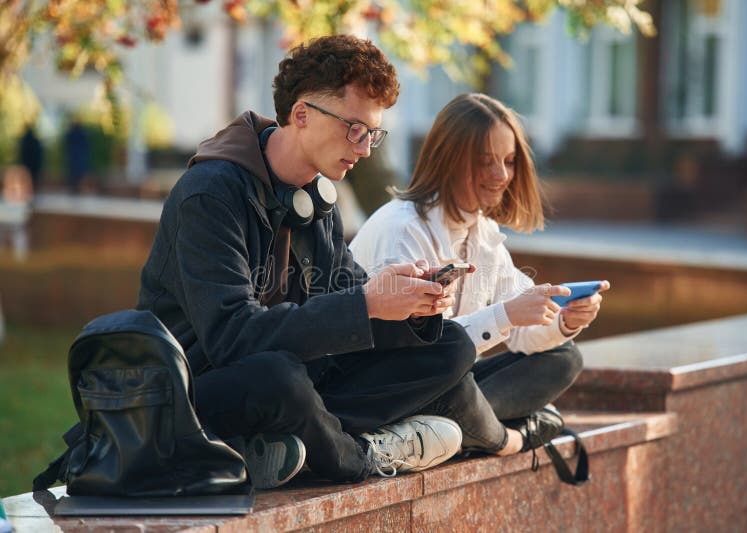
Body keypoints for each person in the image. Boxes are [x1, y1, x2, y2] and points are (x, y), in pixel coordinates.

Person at [137, 36, 503, 490]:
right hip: (200, 388)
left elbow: (346, 306)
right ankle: (358, 455)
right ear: (302, 114)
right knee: (278, 378)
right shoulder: (210, 194)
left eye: (373, 133)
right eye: (355, 128)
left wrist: (407, 307)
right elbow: (231, 337)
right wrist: (364, 304)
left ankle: (294, 444)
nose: (365, 148)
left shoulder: (316, 195)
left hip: (301, 382)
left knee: (449, 346)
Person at [351, 93, 611, 457]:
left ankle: (446, 432)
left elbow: (523, 333)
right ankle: (499, 436)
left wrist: (564, 319)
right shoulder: (402, 230)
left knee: (563, 357)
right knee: (458, 387)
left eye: (508, 161)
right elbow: (419, 356)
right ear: (450, 159)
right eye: (485, 162)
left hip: (447, 389)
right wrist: (505, 315)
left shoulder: (482, 232)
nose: (501, 175)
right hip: (388, 389)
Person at [18, 125, 44, 192]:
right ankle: (32, 189)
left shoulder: (24, 141)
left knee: (28, 178)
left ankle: (29, 190)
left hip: (27, 164)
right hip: (34, 165)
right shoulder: (35, 141)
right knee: (33, 178)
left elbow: (22, 153)